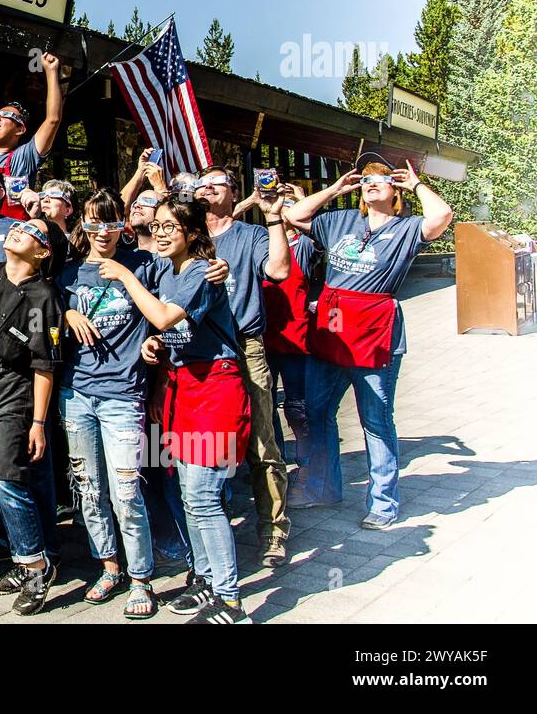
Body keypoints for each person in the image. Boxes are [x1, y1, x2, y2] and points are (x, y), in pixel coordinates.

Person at [283, 156, 452, 529]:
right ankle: (322, 488)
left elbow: (441, 217)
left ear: (395, 191)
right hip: (331, 328)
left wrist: (416, 184)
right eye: (366, 178)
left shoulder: (406, 228)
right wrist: (335, 189)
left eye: (382, 178)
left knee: (375, 420)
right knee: (315, 412)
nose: (372, 182)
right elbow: (294, 215)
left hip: (374, 332)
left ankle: (383, 503)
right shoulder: (341, 220)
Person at [118, 195, 253, 624]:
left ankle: (231, 602)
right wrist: (157, 346)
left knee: (203, 498)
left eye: (169, 226)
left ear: (193, 233)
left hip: (215, 386)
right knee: (191, 498)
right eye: (156, 224)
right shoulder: (170, 269)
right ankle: (208, 581)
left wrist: (124, 275)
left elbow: (162, 315)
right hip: (183, 385)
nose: (158, 232)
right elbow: (172, 329)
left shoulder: (198, 270)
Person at [56, 190, 159, 618]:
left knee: (127, 491)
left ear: (124, 225)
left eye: (110, 222)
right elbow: (42, 307)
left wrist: (154, 342)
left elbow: (162, 314)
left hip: (122, 395)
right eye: (94, 223)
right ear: (83, 224)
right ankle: (109, 566)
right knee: (89, 490)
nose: (102, 232)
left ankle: (141, 578)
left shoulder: (143, 266)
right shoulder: (66, 274)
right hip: (76, 394)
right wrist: (67, 315)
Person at [194, 164, 293, 567]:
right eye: (201, 185)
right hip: (199, 350)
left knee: (261, 443)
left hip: (244, 346)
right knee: (203, 447)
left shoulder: (250, 235)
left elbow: (279, 270)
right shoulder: (188, 237)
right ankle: (209, 535)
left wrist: (273, 217)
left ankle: (273, 530)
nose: (205, 189)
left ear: (234, 193)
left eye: (215, 184)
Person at [0, 217, 64, 616]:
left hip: (16, 391)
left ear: (42, 252)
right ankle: (19, 556)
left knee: (4, 477)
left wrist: (39, 423)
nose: (18, 231)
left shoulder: (44, 296)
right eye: (18, 226)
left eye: (31, 232)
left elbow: (45, 364)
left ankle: (36, 567)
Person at [260, 185, 317, 480]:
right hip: (265, 339)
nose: (282, 210)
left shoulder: (303, 247)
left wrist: (301, 200)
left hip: (296, 341)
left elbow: (317, 233)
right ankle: (276, 459)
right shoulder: (262, 245)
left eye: (288, 207)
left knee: (297, 406)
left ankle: (307, 461)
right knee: (266, 407)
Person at [0, 52, 64, 220]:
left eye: (6, 116)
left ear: (20, 129)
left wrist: (51, 71)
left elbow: (53, 119)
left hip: (13, 236)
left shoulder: (24, 156)